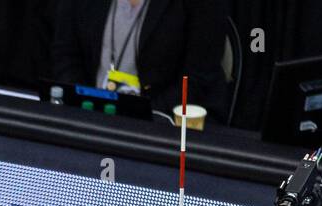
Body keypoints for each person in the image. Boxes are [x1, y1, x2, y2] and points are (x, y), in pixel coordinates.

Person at [51, 0, 229, 121]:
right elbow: (65, 54)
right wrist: (86, 105)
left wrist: (138, 114)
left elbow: (198, 79)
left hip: (163, 124)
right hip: (89, 116)